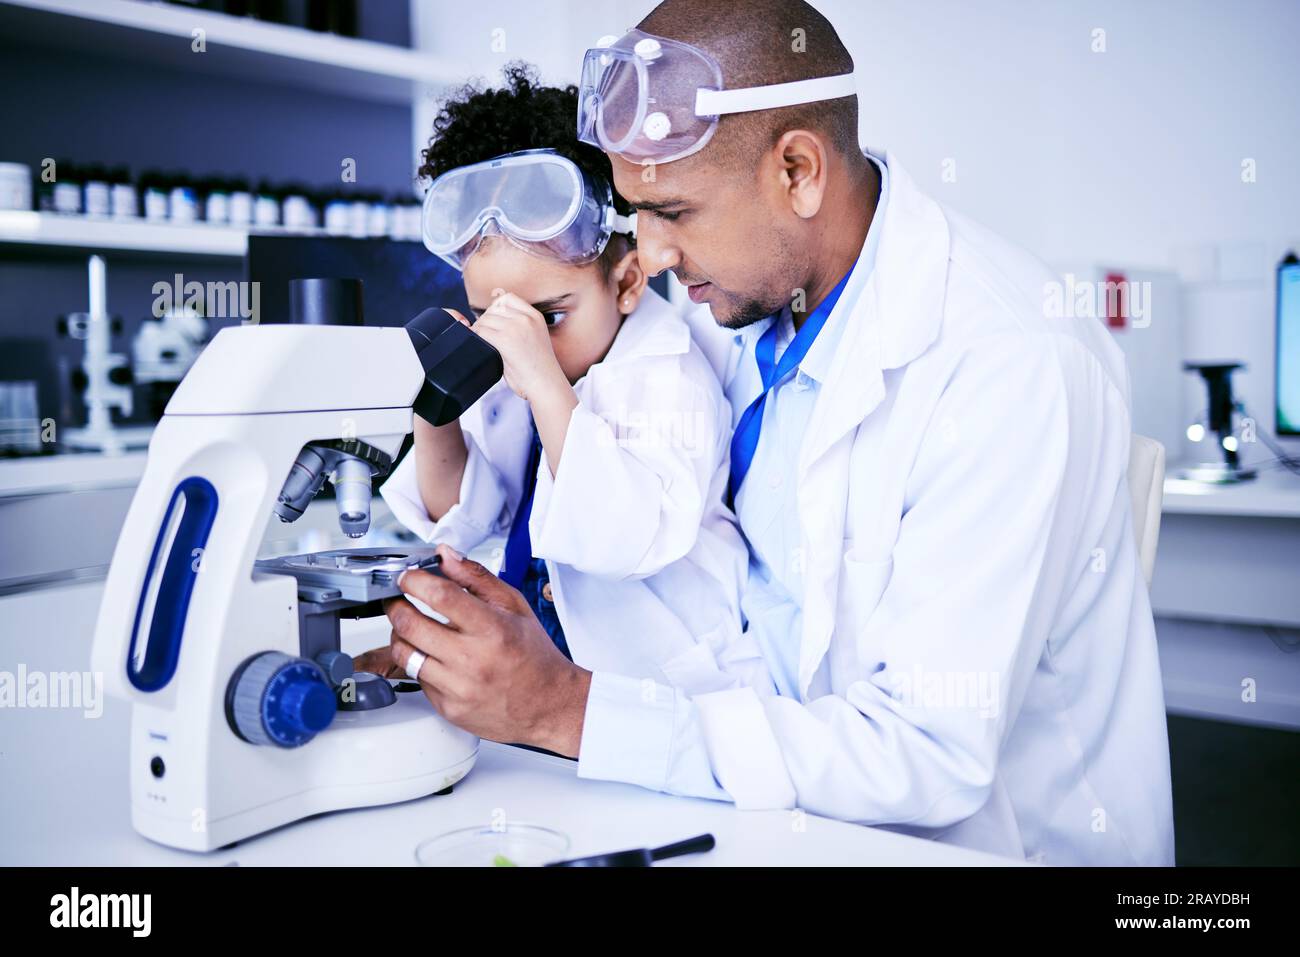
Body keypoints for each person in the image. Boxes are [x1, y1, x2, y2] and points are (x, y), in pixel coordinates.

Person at [381, 0, 1176, 866]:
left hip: (969, 847)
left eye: (675, 211)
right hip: (759, 818)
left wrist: (562, 707)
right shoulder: (730, 310)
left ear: (798, 170)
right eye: (634, 210)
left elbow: (925, 756)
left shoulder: (1007, 363)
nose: (649, 253)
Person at [372, 65, 757, 691]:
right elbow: (467, 516)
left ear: (629, 282)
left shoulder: (668, 377)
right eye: (489, 315)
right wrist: (433, 407)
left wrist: (547, 388)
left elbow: (621, 537)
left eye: (549, 316)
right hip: (540, 672)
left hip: (653, 693)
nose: (517, 340)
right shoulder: (516, 372)